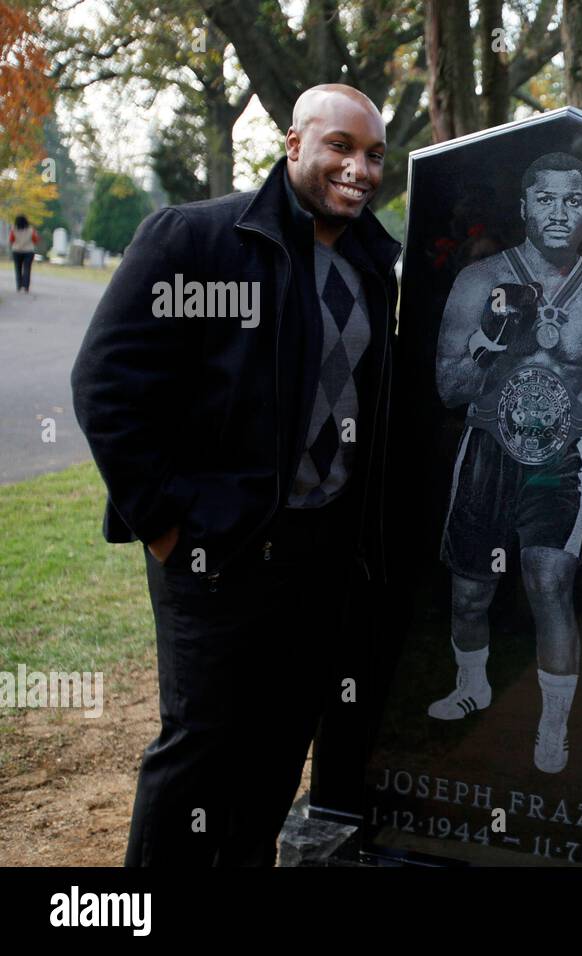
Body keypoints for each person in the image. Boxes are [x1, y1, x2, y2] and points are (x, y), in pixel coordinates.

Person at [71, 84, 401, 866]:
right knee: (201, 751)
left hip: (319, 558)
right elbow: (106, 385)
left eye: (375, 155)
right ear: (293, 145)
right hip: (216, 553)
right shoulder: (198, 240)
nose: (359, 168)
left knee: (279, 744)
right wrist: (162, 523)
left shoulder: (371, 263)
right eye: (340, 147)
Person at [429, 151, 582, 774]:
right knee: (470, 594)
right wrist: (490, 342)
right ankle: (472, 685)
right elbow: (448, 389)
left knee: (550, 584)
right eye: (546, 199)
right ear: (524, 206)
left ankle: (553, 727)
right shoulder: (478, 283)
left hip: (563, 457)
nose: (560, 214)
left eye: (574, 201)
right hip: (485, 447)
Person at [10, 214, 38, 292]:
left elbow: (11, 239)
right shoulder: (31, 229)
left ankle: (19, 285)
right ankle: (26, 286)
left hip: (16, 251)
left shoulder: (13, 229)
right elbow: (35, 239)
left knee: (17, 269)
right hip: (28, 251)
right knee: (27, 269)